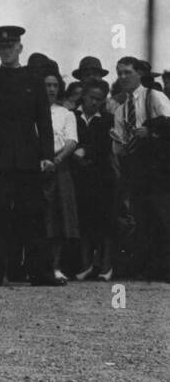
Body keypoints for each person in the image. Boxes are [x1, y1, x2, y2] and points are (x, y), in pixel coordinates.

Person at [0, 25, 57, 287]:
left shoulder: (33, 80)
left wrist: (47, 155)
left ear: (20, 48)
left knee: (34, 216)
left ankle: (41, 273)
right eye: (1, 47)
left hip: (29, 159)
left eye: (10, 47)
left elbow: (44, 121)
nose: (6, 51)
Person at [110, 55, 170, 281]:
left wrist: (151, 132)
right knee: (142, 218)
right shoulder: (120, 110)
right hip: (136, 168)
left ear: (139, 74)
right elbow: (119, 148)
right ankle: (152, 268)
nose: (123, 77)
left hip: (159, 167)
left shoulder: (154, 96)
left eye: (128, 72)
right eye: (120, 73)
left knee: (164, 216)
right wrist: (121, 145)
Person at [38, 67, 79, 282]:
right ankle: (34, 267)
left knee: (58, 219)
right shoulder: (31, 111)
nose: (51, 89)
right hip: (35, 168)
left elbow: (72, 141)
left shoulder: (65, 114)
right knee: (38, 219)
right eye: (47, 85)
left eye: (55, 85)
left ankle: (55, 267)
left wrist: (57, 160)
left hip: (58, 166)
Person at [72, 79, 114, 280]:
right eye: (91, 98)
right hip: (77, 176)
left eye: (99, 99)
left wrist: (87, 152)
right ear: (83, 96)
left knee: (103, 221)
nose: (95, 103)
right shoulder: (72, 116)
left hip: (101, 177)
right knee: (83, 221)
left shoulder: (107, 119)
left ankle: (106, 266)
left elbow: (105, 146)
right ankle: (85, 264)